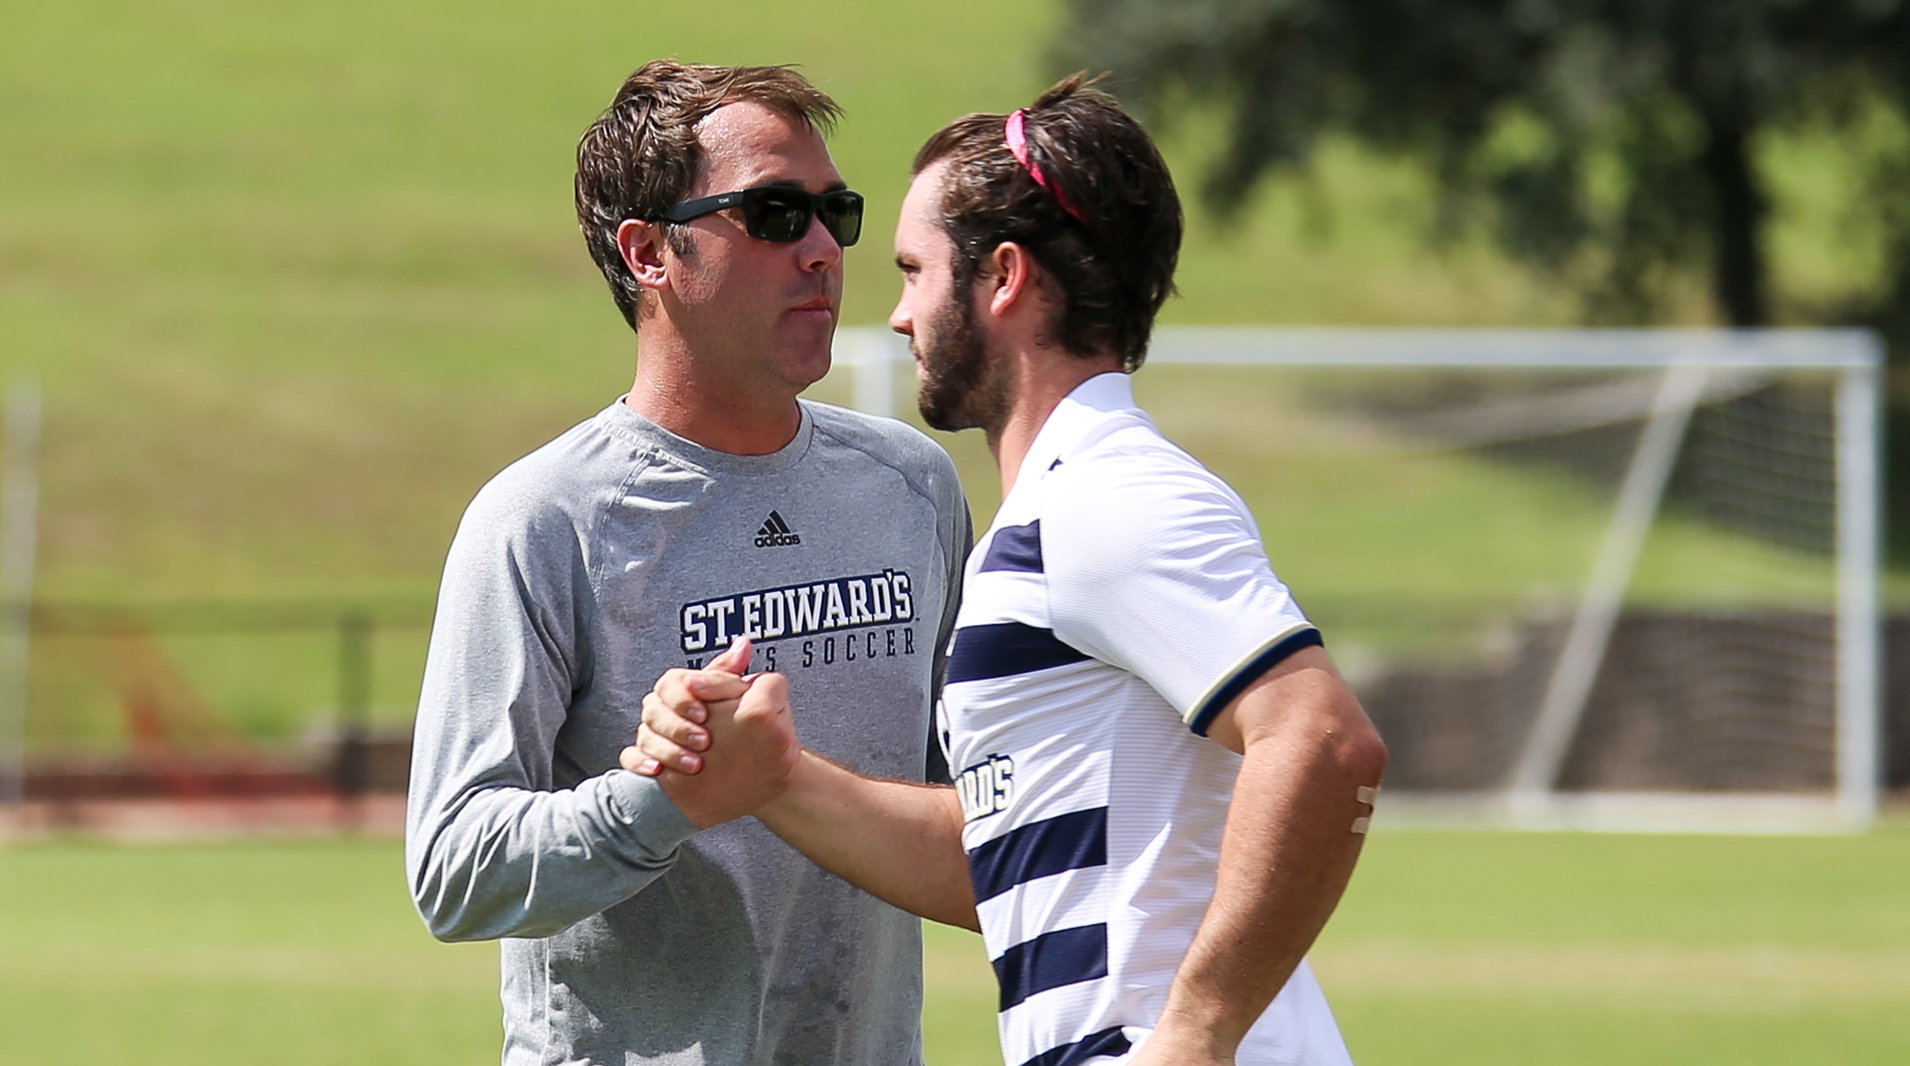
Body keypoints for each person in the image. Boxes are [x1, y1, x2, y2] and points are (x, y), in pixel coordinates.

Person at [631, 76, 1389, 1066]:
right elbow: (1000, 856)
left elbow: (1324, 741)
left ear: (1001, 278)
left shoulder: (1106, 496)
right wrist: (769, 775)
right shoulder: (1053, 514)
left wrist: (1195, 1032)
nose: (898, 315)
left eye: (914, 271)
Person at [403, 60, 970, 1066]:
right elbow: (454, 872)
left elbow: (974, 820)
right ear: (648, 252)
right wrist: (664, 802)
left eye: (833, 213)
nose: (820, 250)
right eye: (773, 213)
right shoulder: (544, 520)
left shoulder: (911, 488)